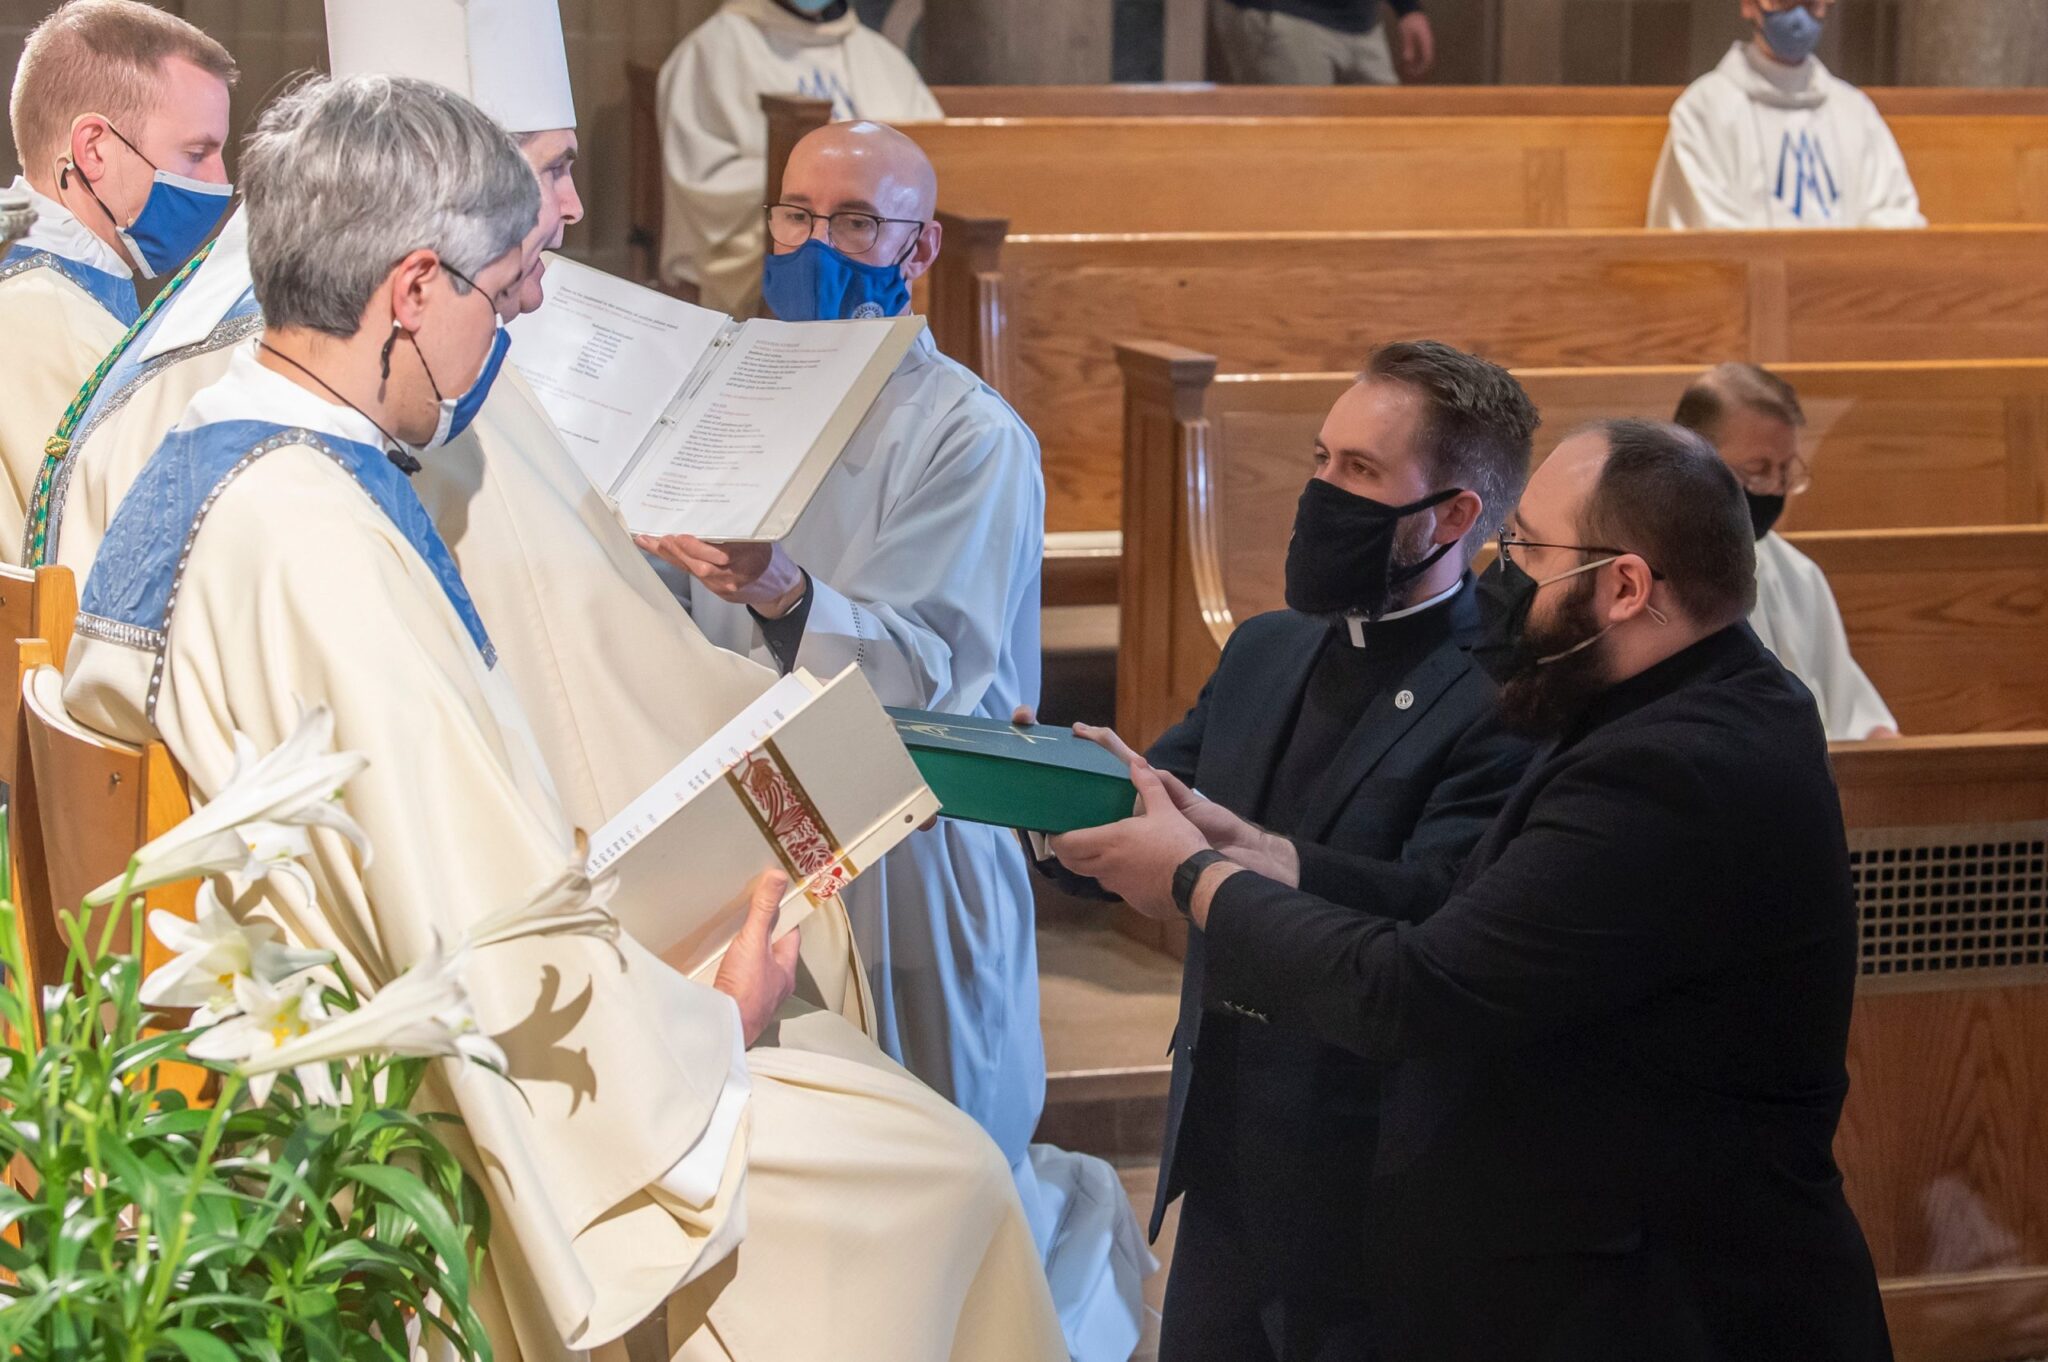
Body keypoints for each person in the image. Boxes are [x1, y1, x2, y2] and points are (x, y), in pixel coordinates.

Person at [62, 72, 1066, 1362]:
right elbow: (481, 930)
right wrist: (711, 1022)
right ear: (411, 289)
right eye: (501, 290)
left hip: (328, 1005)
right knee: (949, 1180)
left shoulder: (218, 445)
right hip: (412, 1098)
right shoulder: (314, 530)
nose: (522, 313)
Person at [1051, 419, 1893, 1361]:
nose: (1502, 571)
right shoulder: (1675, 698)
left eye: (1527, 546)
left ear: (1625, 586)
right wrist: (1250, 850)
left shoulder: (1675, 768)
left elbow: (1421, 989)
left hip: (1667, 1305)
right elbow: (1467, 905)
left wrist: (1193, 879)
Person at [641, 119, 1153, 1362]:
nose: (815, 243)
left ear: (918, 250)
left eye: (856, 223)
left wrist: (783, 591)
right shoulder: (724, 400)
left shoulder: (968, 435)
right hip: (741, 814)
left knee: (937, 1153)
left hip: (906, 831)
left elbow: (938, 670)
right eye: (796, 215)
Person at [1041, 341, 1538, 1362]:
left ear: (1452, 517)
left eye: (1359, 471)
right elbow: (1152, 804)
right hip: (1226, 1156)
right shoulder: (1267, 646)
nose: (1321, 493)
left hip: (1377, 1185)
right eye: (1319, 458)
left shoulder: (1504, 689)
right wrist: (1039, 798)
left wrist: (1222, 862)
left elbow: (1435, 904)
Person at [2, 0, 235, 563]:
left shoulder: (45, 284)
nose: (221, 181)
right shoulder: (51, 319)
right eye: (197, 153)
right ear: (93, 150)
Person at [656, 0, 941, 315]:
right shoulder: (712, 50)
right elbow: (700, 179)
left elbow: (938, 167)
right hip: (756, 284)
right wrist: (814, 204)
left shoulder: (883, 58)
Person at [1674, 362, 1897, 740]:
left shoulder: (1799, 574)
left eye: (1785, 471)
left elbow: (1852, 710)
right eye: (1758, 469)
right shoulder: (1655, 575)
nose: (1775, 489)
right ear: (1690, 458)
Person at [1648, 0, 1923, 229]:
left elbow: (1895, 214)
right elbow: (1708, 231)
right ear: (1748, 5)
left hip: (1850, 280)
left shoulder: (1853, 111)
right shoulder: (1705, 110)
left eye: (1811, 3)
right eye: (1785, 1)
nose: (1799, 15)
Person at [1208, 0, 1435, 86]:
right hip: (1287, 15)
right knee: (1296, 151)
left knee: (1389, 143)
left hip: (1360, 21)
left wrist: (1407, 8)